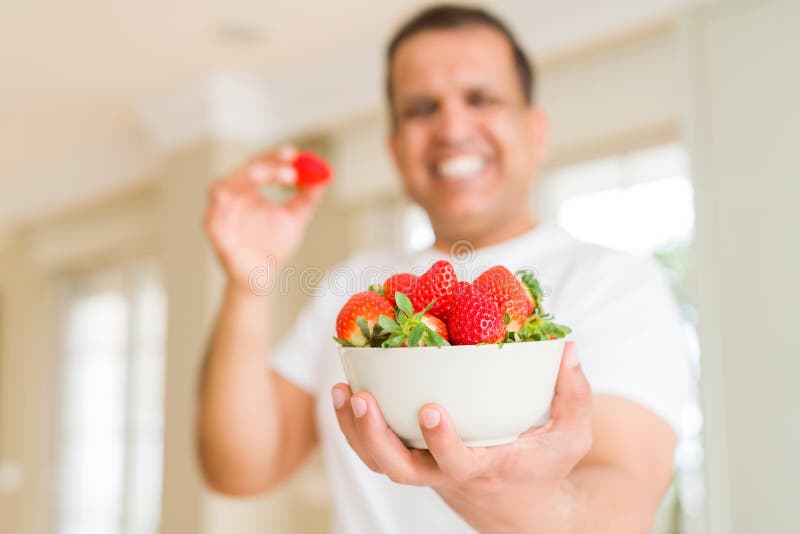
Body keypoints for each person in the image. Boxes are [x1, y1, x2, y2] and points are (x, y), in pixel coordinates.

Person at [199, 5, 691, 533]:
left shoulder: (613, 281)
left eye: (481, 98)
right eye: (420, 108)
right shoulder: (356, 285)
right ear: (395, 150)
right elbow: (239, 468)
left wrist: (498, 494)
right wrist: (248, 281)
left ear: (536, 131)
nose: (452, 126)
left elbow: (623, 507)